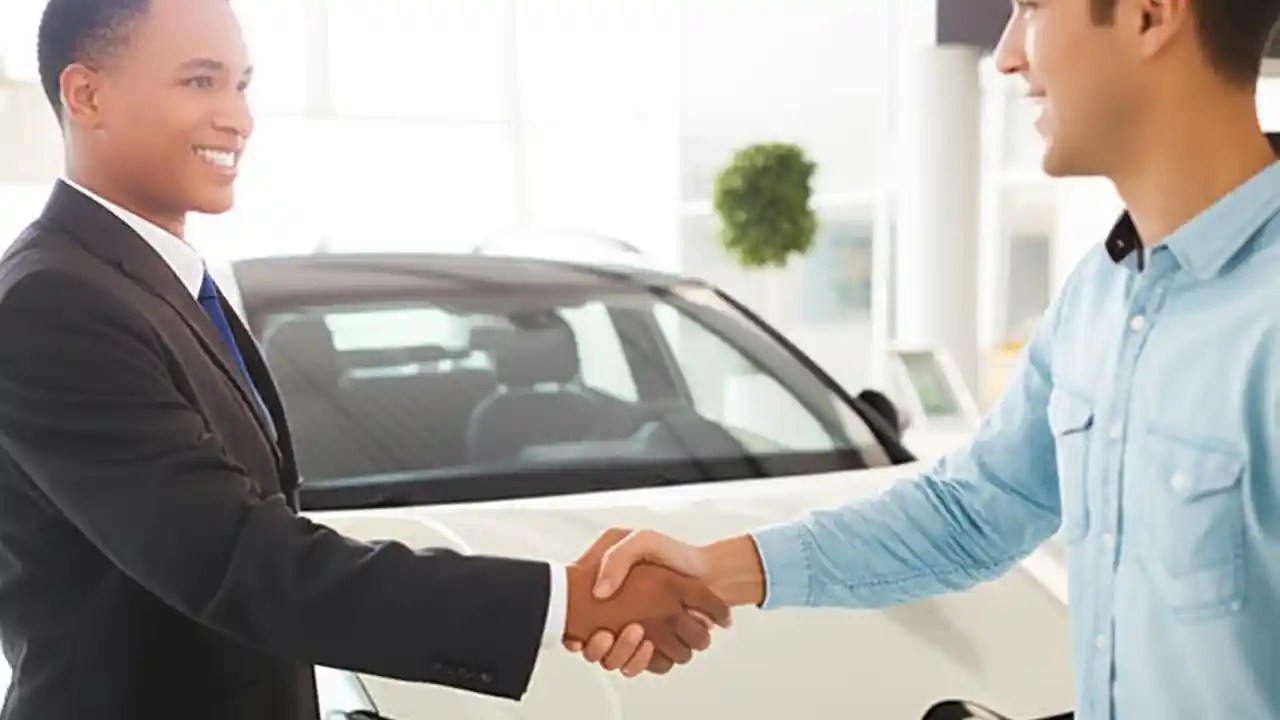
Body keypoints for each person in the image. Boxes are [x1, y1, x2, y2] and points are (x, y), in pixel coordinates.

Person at [0, 1, 728, 718]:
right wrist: (567, 601)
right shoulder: (53, 302)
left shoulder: (155, 281)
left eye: (242, 84)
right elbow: (237, 558)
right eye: (200, 81)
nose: (237, 117)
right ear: (87, 94)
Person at [572, 0, 1280, 716]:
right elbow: (973, 511)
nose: (1006, 55)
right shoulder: (1100, 294)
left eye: (1032, 8)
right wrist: (710, 569)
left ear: (1151, 15)